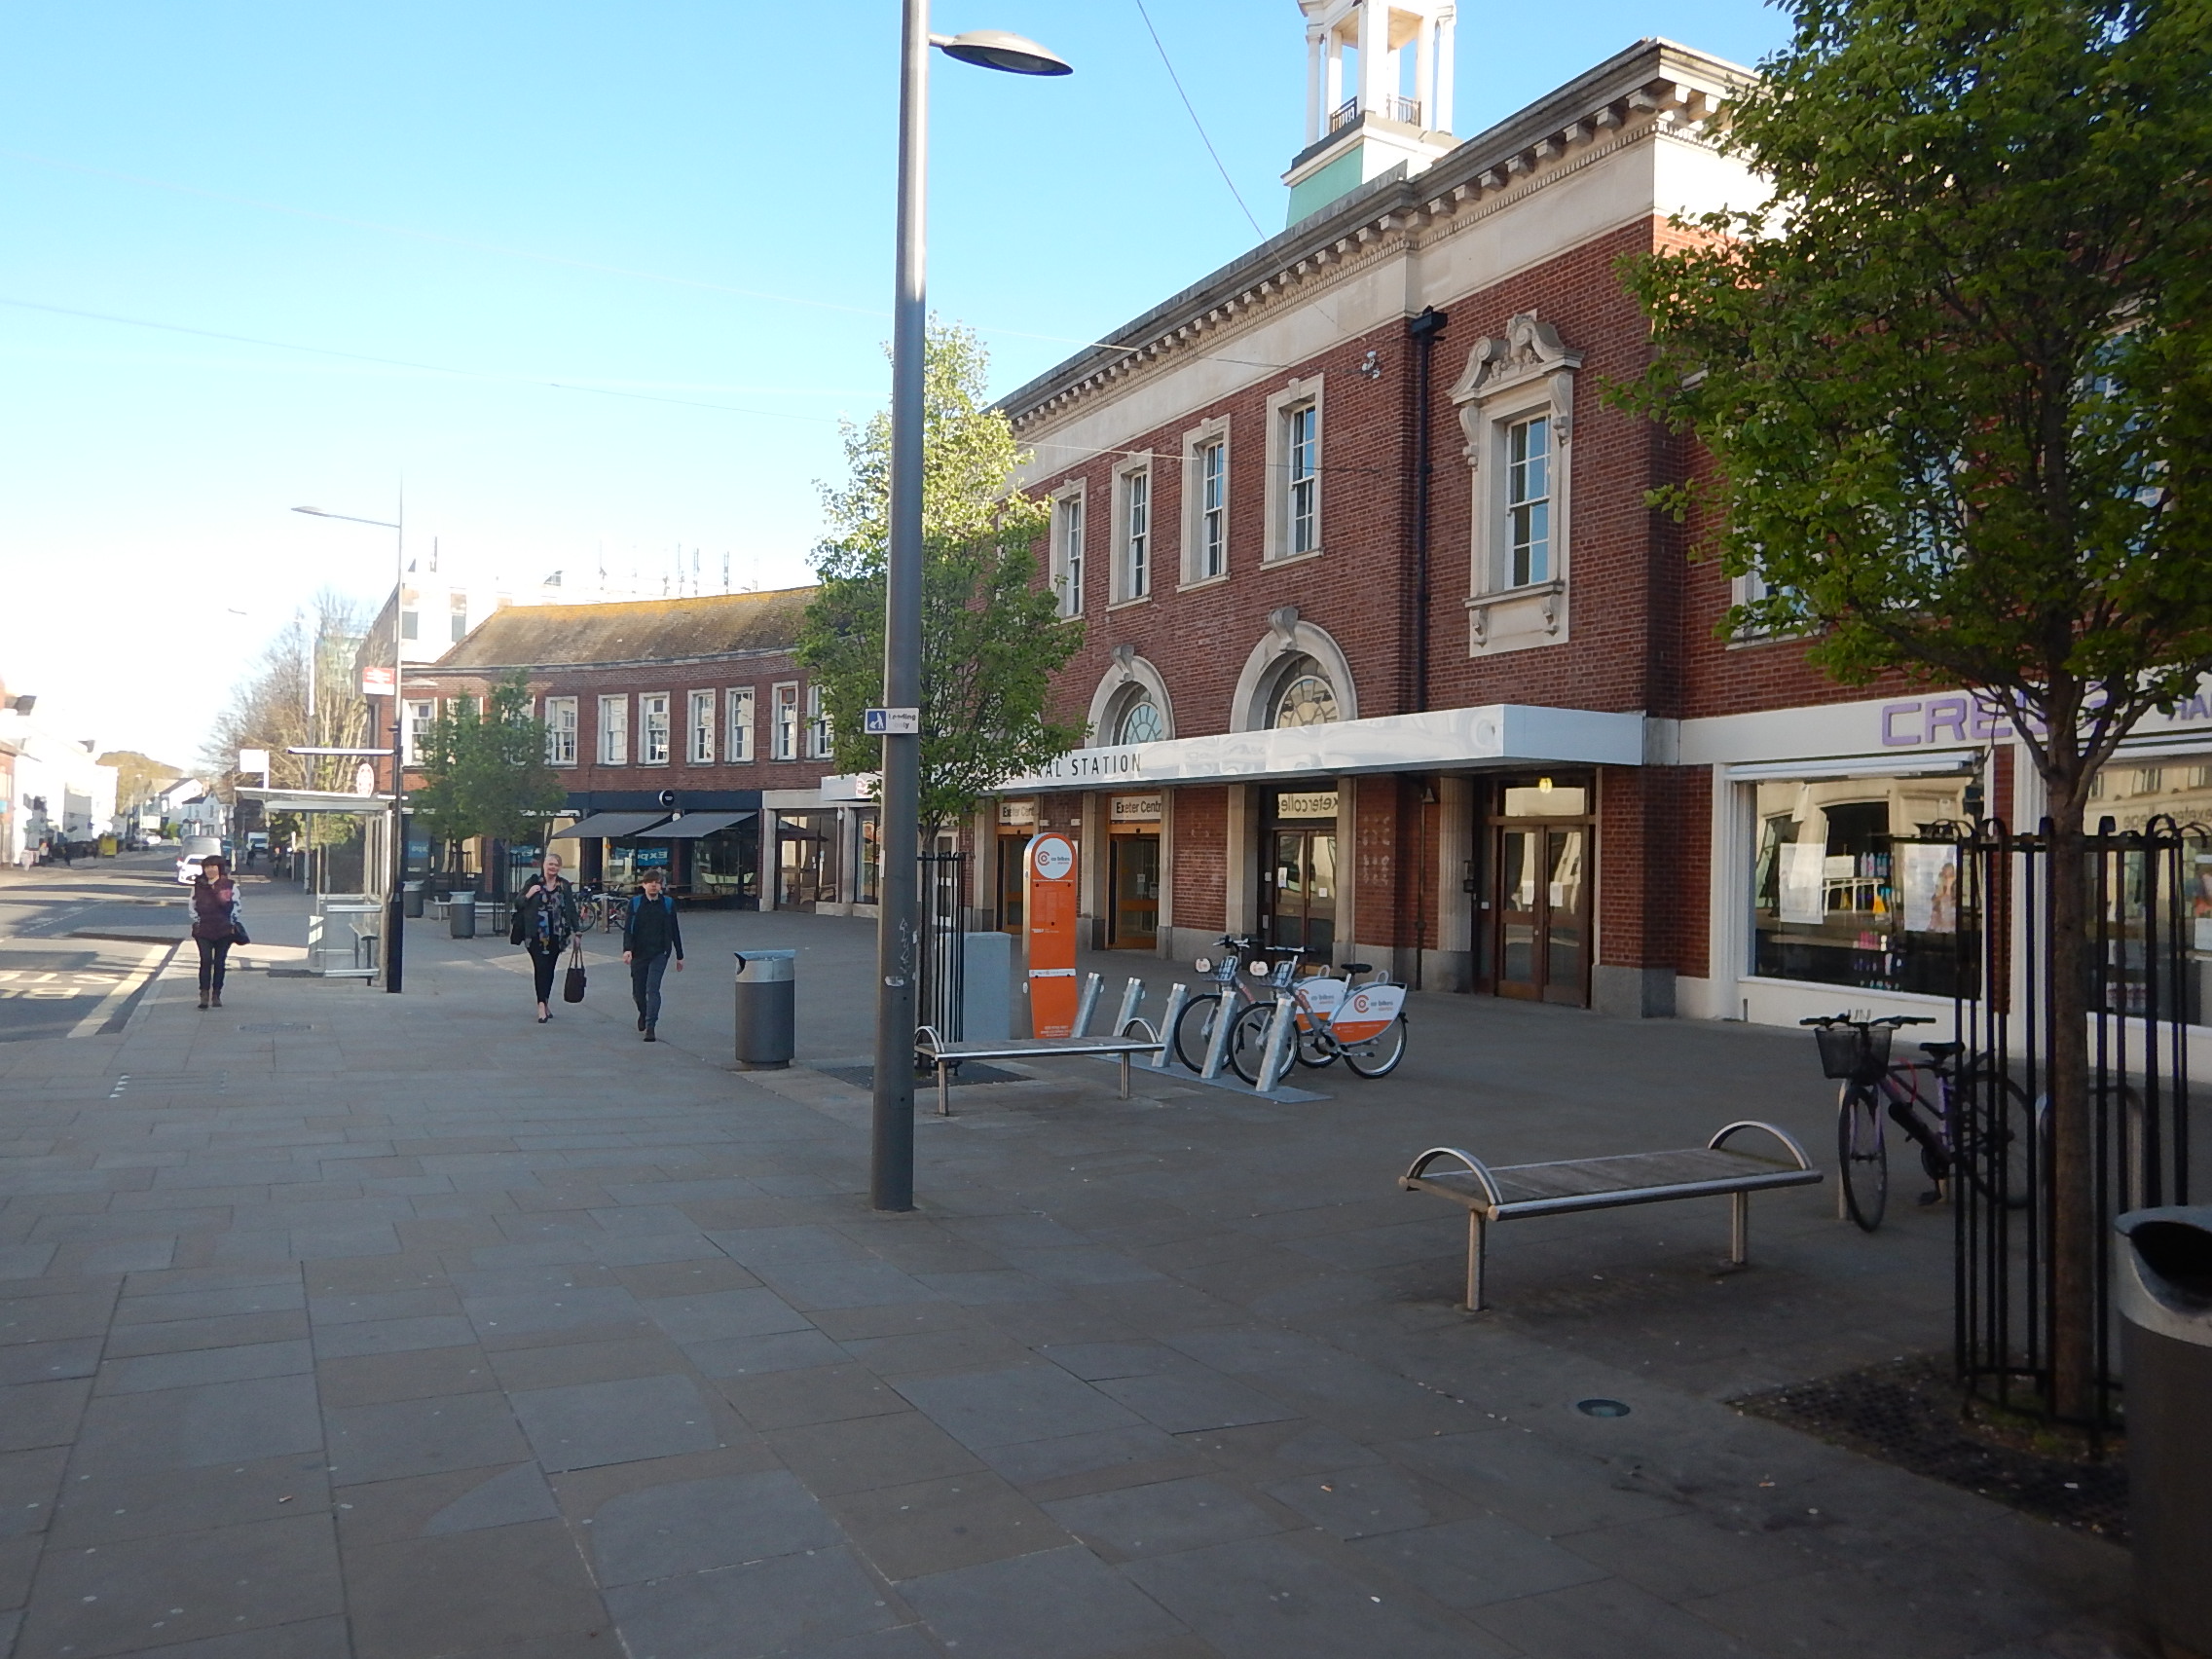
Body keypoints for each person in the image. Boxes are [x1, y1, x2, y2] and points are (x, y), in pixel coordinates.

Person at [512, 852, 580, 1024]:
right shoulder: (533, 883)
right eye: (550, 864)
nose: (553, 867)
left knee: (549, 969)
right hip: (535, 934)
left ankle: (546, 1001)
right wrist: (529, 894)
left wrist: (577, 931)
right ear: (544, 865)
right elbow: (518, 903)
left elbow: (571, 909)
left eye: (556, 865)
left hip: (557, 935)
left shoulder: (563, 885)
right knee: (540, 967)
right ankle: (541, 1005)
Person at [620, 868, 685, 1042]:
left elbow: (674, 930)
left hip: (660, 952)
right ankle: (643, 1012)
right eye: (650, 883)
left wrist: (679, 955)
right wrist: (627, 950)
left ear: (661, 885)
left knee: (652, 989)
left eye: (657, 882)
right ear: (644, 885)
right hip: (639, 953)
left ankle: (651, 1026)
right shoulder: (634, 904)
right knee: (638, 992)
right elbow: (628, 930)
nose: (654, 886)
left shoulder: (668, 904)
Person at [190, 855, 241, 1010]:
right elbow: (191, 905)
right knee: (205, 961)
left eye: (213, 866)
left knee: (219, 962)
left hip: (223, 929)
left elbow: (237, 906)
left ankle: (216, 993)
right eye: (207, 867)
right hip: (203, 929)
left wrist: (230, 921)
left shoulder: (229, 885)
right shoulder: (198, 886)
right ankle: (204, 994)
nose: (210, 870)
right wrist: (198, 920)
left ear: (220, 868)